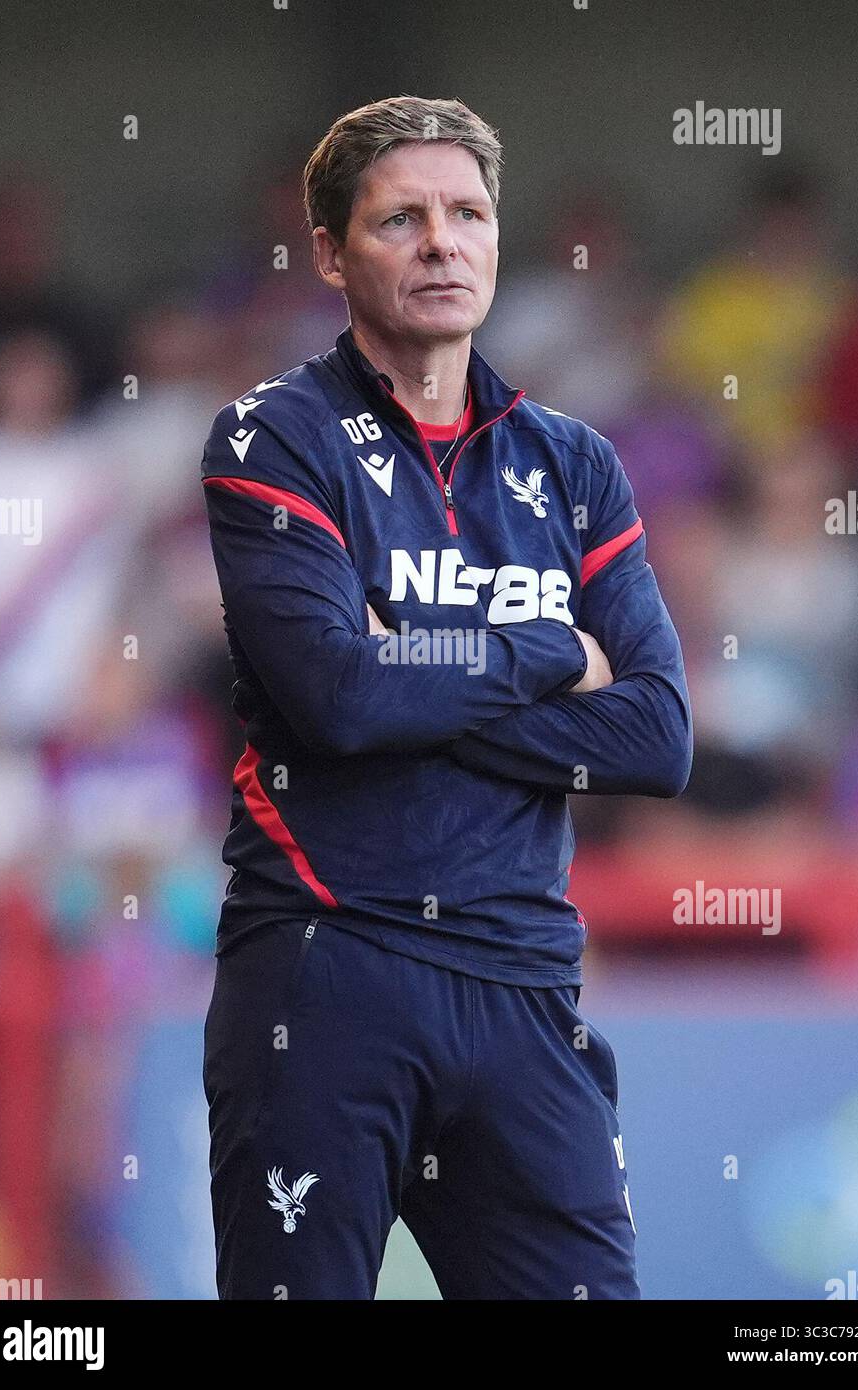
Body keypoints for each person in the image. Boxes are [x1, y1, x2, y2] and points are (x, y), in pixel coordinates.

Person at [200, 95, 692, 1300]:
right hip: (327, 968)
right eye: (401, 219)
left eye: (466, 213)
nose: (442, 243)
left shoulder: (570, 461)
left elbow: (655, 735)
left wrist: (407, 648)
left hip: (525, 982)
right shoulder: (273, 439)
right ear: (329, 252)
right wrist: (542, 645)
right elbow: (337, 699)